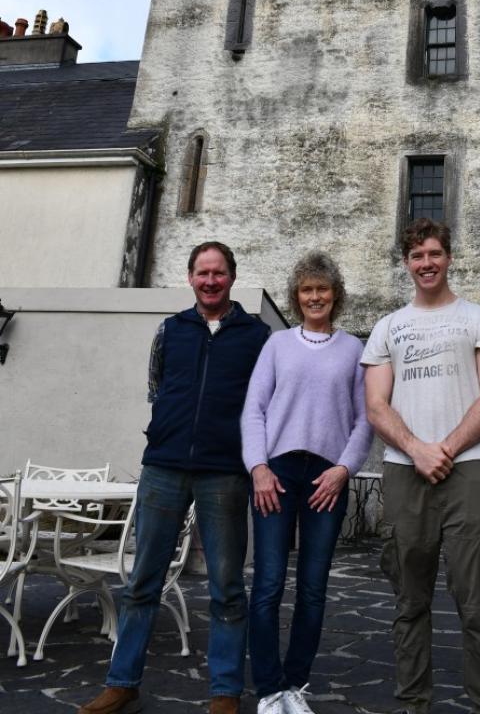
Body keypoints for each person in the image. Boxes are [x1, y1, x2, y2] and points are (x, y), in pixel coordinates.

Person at [80, 241, 270, 714]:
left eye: (219, 273)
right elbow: (156, 388)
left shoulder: (257, 336)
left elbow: (263, 405)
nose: (210, 281)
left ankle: (225, 692)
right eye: (202, 273)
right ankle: (122, 683)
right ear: (189, 278)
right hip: (163, 468)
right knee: (142, 580)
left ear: (232, 277)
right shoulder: (169, 330)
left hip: (224, 473)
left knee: (226, 586)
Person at [361, 218, 480, 714]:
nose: (426, 263)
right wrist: (417, 449)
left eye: (434, 254)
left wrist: (443, 447)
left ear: (448, 257)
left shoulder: (478, 319)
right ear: (406, 264)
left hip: (468, 466)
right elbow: (376, 406)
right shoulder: (388, 327)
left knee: (477, 601)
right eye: (416, 256)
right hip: (406, 472)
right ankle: (414, 705)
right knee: (410, 601)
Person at [241, 251, 373, 714]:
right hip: (275, 474)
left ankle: (295, 685)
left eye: (322, 288)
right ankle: (268, 689)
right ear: (296, 298)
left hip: (326, 478)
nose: (315, 296)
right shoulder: (277, 346)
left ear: (336, 295)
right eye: (306, 290)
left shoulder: (355, 350)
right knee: (269, 584)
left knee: (313, 586)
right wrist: (258, 467)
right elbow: (254, 410)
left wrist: (344, 469)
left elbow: (365, 420)